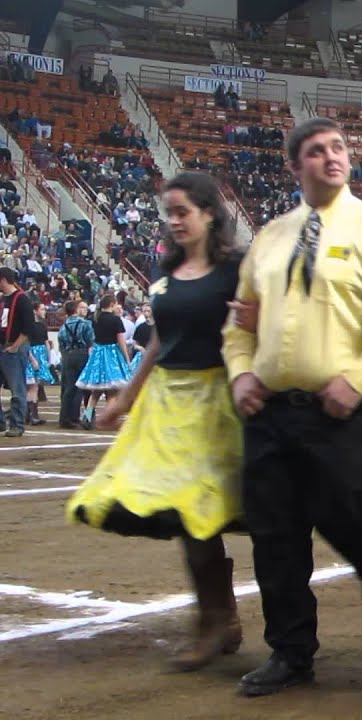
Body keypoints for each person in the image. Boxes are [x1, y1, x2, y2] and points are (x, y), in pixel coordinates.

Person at [221, 117, 362, 697]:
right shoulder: (270, 237)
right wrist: (240, 373)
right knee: (274, 532)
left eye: (338, 147)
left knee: (342, 514)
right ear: (295, 166)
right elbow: (241, 322)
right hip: (269, 410)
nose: (332, 157)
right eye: (316, 151)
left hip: (342, 409)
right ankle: (290, 652)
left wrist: (360, 379)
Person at [67, 172, 246, 672]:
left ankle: (222, 618)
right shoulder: (166, 269)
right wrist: (127, 396)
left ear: (209, 213)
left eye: (183, 211)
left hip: (217, 401)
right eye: (169, 213)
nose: (174, 221)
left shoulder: (237, 269)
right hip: (167, 403)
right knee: (183, 509)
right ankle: (216, 617)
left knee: (207, 508)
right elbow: (160, 341)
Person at [75, 293, 132, 428]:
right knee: (112, 389)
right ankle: (110, 418)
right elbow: (121, 341)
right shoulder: (116, 320)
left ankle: (87, 416)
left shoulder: (95, 318)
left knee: (96, 390)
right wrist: (126, 357)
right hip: (112, 354)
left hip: (98, 353)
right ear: (112, 304)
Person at [0, 267, 33, 436]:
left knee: (17, 388)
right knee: (16, 387)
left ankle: (17, 425)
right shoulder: (3, 299)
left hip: (14, 347)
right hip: (4, 346)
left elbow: (28, 327)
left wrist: (15, 346)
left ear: (3, 280)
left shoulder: (21, 299)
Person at [58, 299, 94, 428]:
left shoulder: (63, 326)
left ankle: (64, 418)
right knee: (82, 387)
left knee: (68, 387)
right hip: (82, 354)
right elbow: (90, 342)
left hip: (68, 355)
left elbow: (61, 344)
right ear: (76, 310)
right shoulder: (85, 324)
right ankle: (78, 417)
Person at [22, 301, 54, 425]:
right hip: (32, 355)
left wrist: (49, 358)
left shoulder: (42, 325)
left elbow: (46, 342)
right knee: (32, 386)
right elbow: (26, 343)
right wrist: (32, 359)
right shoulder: (29, 326)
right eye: (42, 309)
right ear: (35, 311)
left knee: (35, 386)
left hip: (41, 356)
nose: (44, 312)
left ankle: (31, 414)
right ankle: (31, 414)